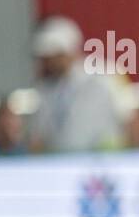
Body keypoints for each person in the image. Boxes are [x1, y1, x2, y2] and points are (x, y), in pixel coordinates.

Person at [28, 16, 129, 154]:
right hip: (63, 167)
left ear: (66, 52)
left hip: (105, 164)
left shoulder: (106, 74)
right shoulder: (45, 88)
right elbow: (39, 137)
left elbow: (132, 120)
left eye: (51, 57)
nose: (46, 63)